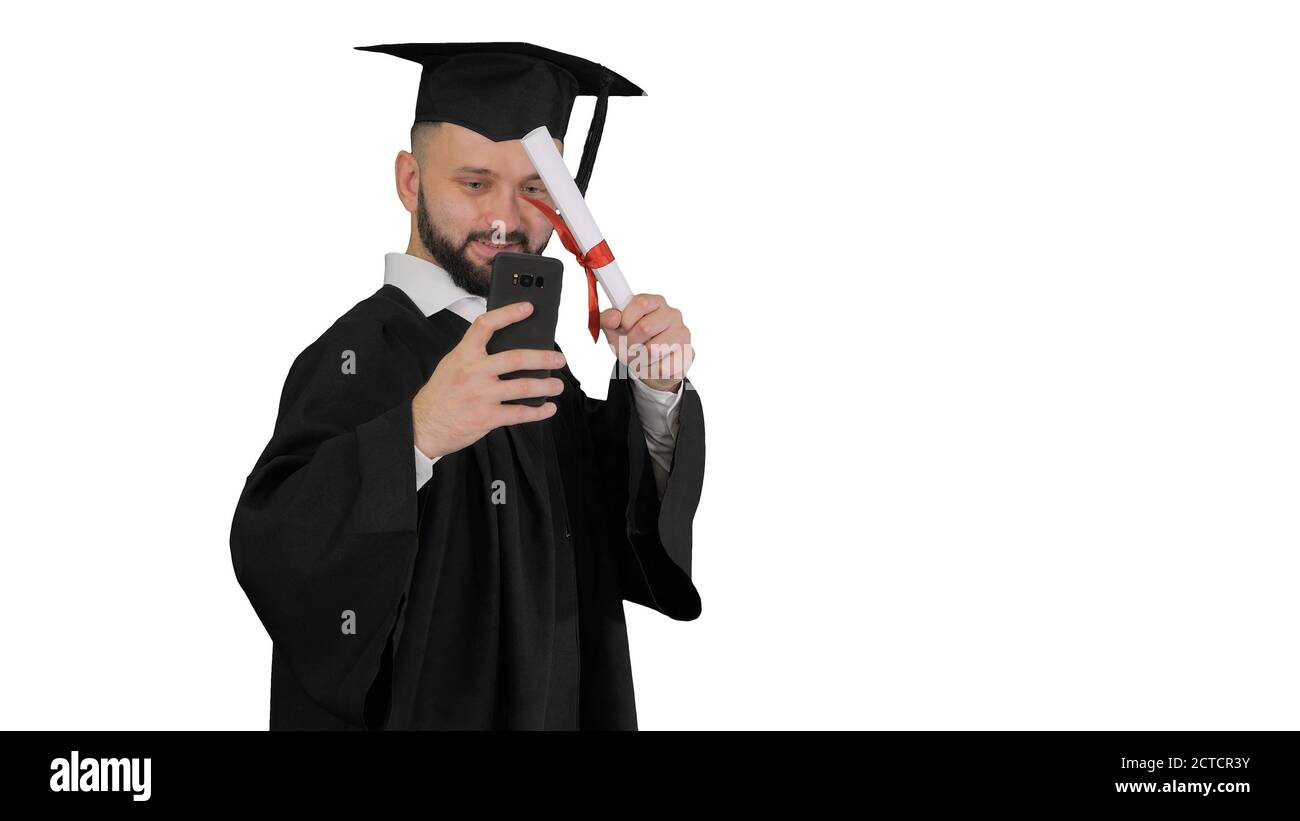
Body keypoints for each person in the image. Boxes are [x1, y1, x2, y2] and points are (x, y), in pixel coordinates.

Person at [229, 42, 705, 730]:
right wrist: (416, 435)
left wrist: (654, 392)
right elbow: (274, 549)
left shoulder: (539, 364)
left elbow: (612, 542)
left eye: (535, 188)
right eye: (475, 182)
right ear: (410, 182)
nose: (505, 219)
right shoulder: (360, 352)